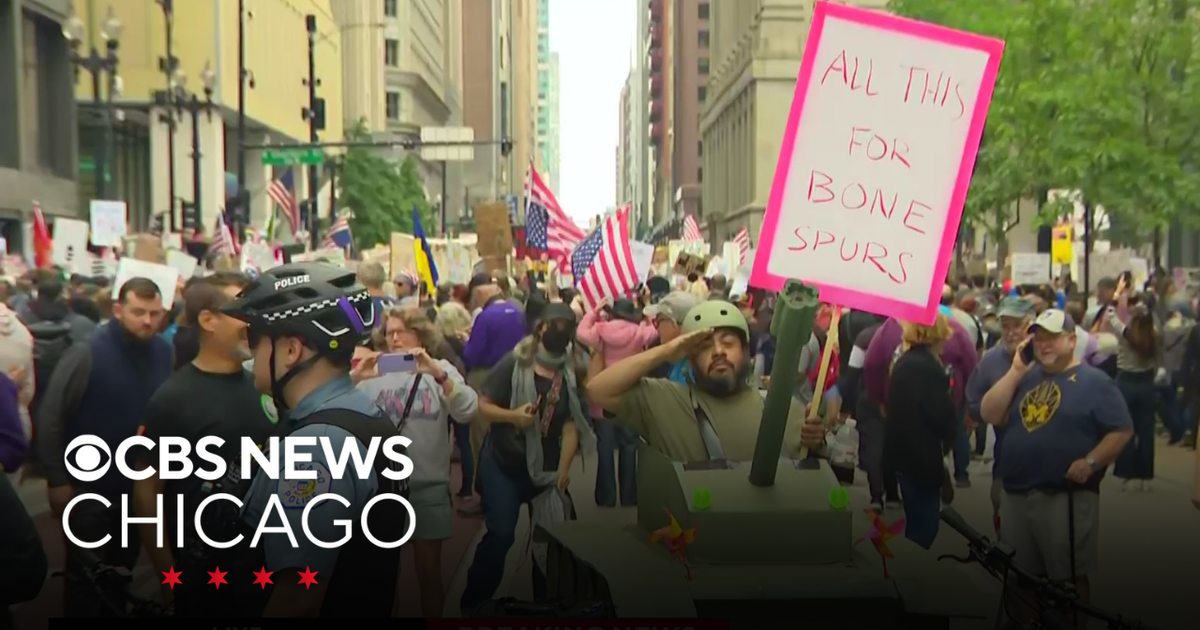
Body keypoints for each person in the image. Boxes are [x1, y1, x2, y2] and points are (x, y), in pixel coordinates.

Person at [219, 263, 407, 618]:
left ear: (291, 350)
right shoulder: (363, 413)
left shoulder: (316, 446)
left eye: (254, 339)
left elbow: (298, 598)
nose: (249, 352)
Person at [130, 273, 277, 616]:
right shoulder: (172, 399)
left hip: (262, 570)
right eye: (242, 311)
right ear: (208, 320)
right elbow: (147, 492)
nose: (253, 322)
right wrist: (169, 581)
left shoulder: (263, 385)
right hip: (205, 577)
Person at [979, 310, 1133, 622]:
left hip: (1065, 495)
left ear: (1072, 341)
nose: (1044, 345)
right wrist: (1016, 371)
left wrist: (1091, 462)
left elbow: (1121, 430)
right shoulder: (1026, 377)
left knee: (1067, 578)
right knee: (1020, 575)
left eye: (1052, 338)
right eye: (1039, 338)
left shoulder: (1095, 382)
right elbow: (990, 413)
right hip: (1016, 491)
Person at [36, 277, 172, 617]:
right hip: (89, 489)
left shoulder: (164, 351)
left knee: (123, 575)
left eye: (154, 313)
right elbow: (51, 416)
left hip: (137, 489)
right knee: (86, 582)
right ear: (118, 310)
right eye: (138, 312)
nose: (147, 321)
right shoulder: (87, 351)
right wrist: (56, 478)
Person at [460, 303, 590, 612]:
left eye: (566, 326)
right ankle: (475, 601)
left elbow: (571, 425)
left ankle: (547, 601)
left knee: (551, 537)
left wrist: (563, 471)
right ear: (540, 328)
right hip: (504, 462)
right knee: (502, 534)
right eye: (554, 325)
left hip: (546, 466)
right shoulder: (514, 362)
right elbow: (482, 405)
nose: (559, 331)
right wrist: (513, 416)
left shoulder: (573, 370)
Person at [587, 300, 826, 464]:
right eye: (704, 347)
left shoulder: (783, 410)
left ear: (746, 352)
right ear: (690, 359)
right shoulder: (665, 401)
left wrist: (817, 443)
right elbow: (598, 390)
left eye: (728, 343)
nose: (718, 351)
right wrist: (666, 351)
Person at [354, 307, 478, 617]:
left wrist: (436, 373)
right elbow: (338, 411)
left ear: (420, 334)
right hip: (382, 488)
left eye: (402, 332)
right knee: (385, 574)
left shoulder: (440, 370)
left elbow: (467, 410)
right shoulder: (372, 374)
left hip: (427, 483)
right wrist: (355, 378)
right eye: (389, 333)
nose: (394, 339)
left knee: (428, 569)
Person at [864, 312, 978, 492]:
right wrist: (970, 402)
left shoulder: (888, 330)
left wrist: (879, 398)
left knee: (905, 443)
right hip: (947, 401)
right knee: (942, 438)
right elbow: (971, 364)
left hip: (901, 405)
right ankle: (945, 469)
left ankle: (900, 488)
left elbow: (872, 364)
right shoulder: (954, 328)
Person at [884, 316, 958, 549]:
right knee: (924, 527)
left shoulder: (905, 361)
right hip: (922, 457)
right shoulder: (927, 368)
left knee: (916, 519)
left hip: (903, 453)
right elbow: (941, 414)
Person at [577, 298, 657, 508]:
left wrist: (594, 312)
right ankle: (629, 495)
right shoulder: (639, 333)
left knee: (604, 444)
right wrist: (648, 314)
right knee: (629, 443)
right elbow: (655, 331)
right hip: (629, 393)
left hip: (603, 393)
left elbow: (581, 332)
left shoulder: (600, 331)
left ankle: (606, 496)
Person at [965, 297, 1036, 534]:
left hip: (1047, 464)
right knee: (1003, 513)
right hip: (1007, 460)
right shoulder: (991, 361)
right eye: (1005, 326)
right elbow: (973, 405)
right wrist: (997, 412)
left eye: (1017, 325)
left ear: (1032, 325)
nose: (1010, 332)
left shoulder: (1046, 356)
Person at [837, 313, 895, 512]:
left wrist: (845, 403)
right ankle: (893, 494)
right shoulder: (906, 335)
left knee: (873, 449)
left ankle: (876, 497)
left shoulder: (865, 337)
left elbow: (852, 373)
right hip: (897, 400)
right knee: (891, 447)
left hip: (869, 398)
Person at [1105, 293, 1159, 491]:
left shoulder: (1124, 332)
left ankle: (1125, 472)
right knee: (1146, 431)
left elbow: (1110, 315)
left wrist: (1115, 298)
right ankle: (1145, 475)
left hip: (1126, 383)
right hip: (1147, 384)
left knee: (1126, 428)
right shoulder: (1154, 336)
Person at [643, 291, 701, 383]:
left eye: (658, 321)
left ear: (673, 323)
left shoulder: (690, 371)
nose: (657, 328)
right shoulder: (682, 359)